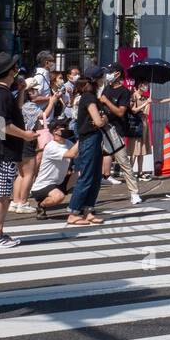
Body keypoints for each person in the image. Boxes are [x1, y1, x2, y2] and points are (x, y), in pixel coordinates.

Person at [0, 53, 36, 248]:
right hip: (2, 151)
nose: (18, 70)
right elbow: (1, 125)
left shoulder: (3, 92)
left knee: (4, 195)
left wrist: (21, 90)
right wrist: (25, 135)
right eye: (15, 67)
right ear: (10, 71)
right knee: (0, 196)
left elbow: (16, 111)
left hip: (5, 151)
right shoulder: (1, 93)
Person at [11, 74, 59, 214]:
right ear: (29, 91)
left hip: (19, 139)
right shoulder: (28, 105)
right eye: (34, 90)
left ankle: (15, 201)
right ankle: (23, 202)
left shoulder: (18, 103)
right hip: (27, 139)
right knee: (29, 174)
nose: (37, 92)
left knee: (21, 173)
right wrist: (52, 102)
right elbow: (43, 115)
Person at [67, 67, 107, 227]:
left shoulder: (90, 96)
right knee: (87, 176)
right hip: (89, 139)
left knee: (95, 176)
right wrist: (103, 120)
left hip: (93, 139)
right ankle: (73, 212)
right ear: (96, 80)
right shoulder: (89, 97)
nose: (104, 80)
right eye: (102, 77)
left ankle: (88, 211)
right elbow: (98, 121)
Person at [97, 62, 143, 204]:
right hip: (101, 129)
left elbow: (120, 112)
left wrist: (106, 101)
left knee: (124, 162)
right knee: (96, 159)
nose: (108, 75)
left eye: (110, 72)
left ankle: (134, 193)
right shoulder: (106, 88)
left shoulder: (124, 91)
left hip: (115, 131)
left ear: (117, 74)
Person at [31, 118, 79, 219]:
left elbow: (78, 155)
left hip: (59, 182)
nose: (65, 129)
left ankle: (81, 205)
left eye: (65, 127)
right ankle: (41, 206)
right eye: (62, 127)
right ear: (54, 131)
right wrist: (81, 139)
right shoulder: (51, 146)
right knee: (59, 197)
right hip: (43, 185)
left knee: (82, 174)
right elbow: (71, 154)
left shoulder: (68, 143)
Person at [127, 84, 151, 181]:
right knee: (134, 150)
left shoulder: (145, 97)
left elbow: (158, 100)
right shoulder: (133, 96)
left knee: (141, 150)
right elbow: (133, 110)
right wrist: (145, 104)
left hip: (144, 125)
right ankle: (130, 173)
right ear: (138, 86)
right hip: (137, 125)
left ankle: (140, 172)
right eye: (144, 84)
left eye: (147, 84)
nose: (146, 86)